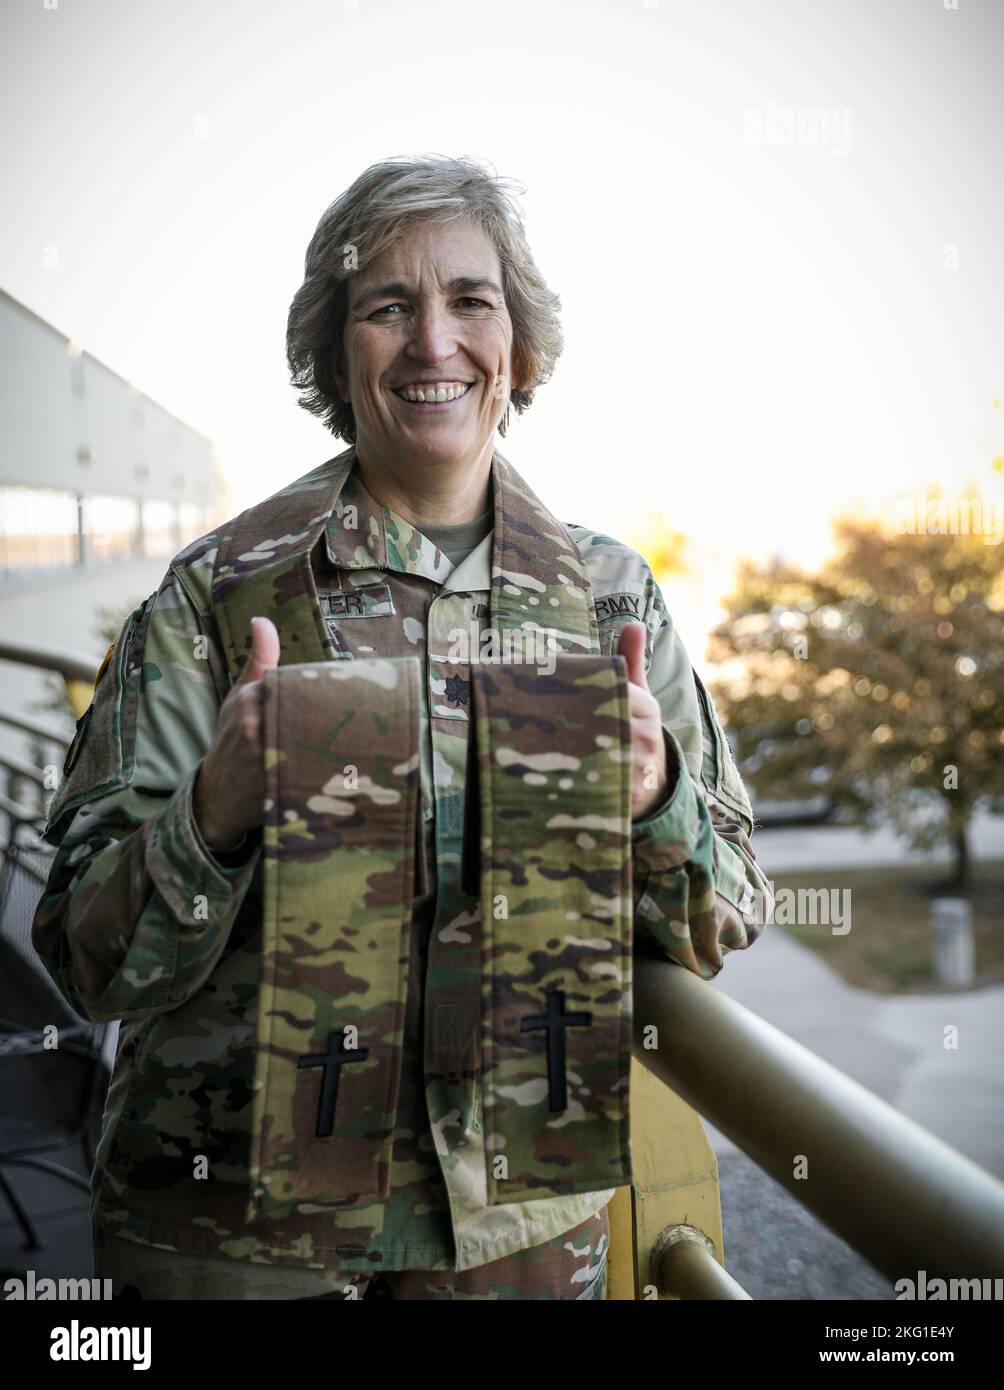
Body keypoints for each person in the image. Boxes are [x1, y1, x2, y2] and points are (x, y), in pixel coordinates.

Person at [32, 154, 771, 1301]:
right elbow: (84, 958)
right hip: (233, 1246)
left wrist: (655, 790)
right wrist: (212, 812)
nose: (434, 343)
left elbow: (725, 913)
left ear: (517, 346)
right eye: (387, 306)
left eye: (470, 300)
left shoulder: (611, 598)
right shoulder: (213, 595)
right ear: (337, 351)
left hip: (516, 1244)